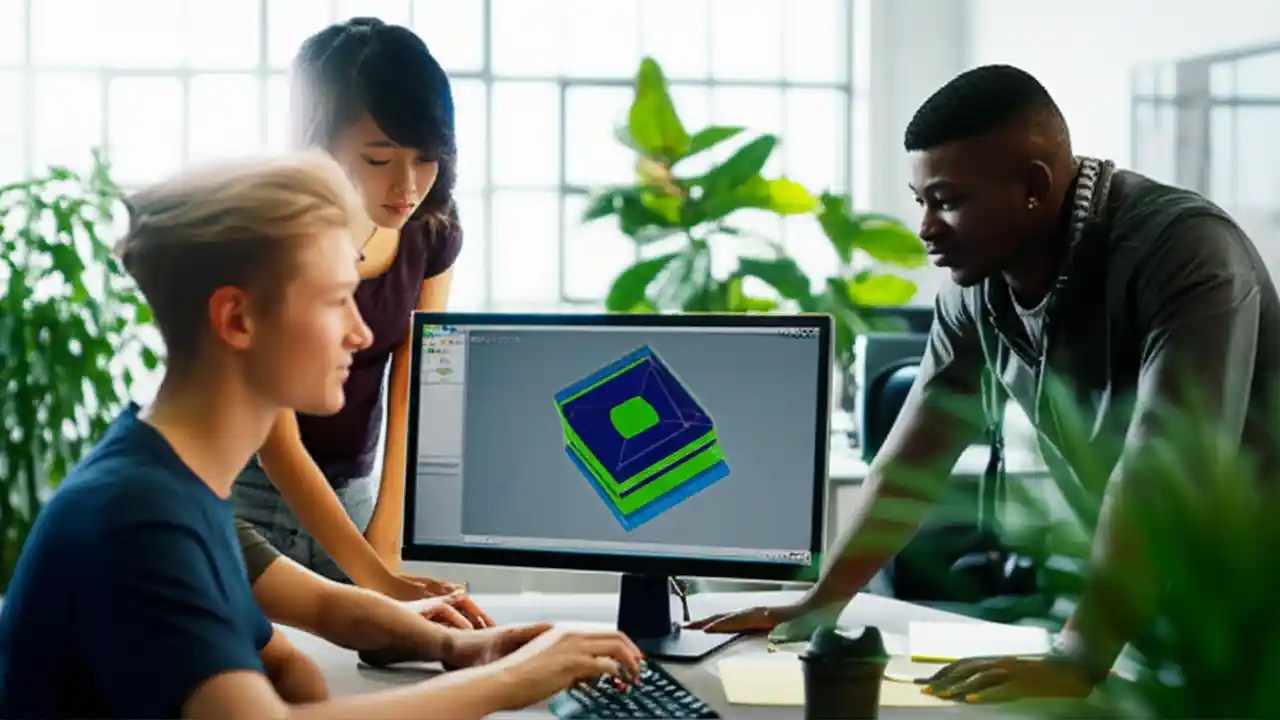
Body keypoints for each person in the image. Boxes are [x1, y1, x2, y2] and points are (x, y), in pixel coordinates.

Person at [687, 64, 1280, 703]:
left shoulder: (1187, 253)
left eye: (947, 200)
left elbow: (1160, 475)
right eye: (921, 202)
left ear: (1033, 186)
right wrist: (818, 602)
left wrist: (1077, 656)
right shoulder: (978, 290)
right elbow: (911, 461)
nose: (926, 229)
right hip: (1171, 616)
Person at [0, 153, 641, 718]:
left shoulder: (166, 478)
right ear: (238, 317)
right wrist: (514, 680)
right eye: (337, 299)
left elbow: (325, 613)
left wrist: (462, 645)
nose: (362, 334)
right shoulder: (136, 518)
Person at [231, 17, 472, 603]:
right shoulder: (271, 235)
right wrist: (374, 577)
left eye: (426, 156)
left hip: (354, 499)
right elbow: (276, 440)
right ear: (321, 146)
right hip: (245, 503)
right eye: (377, 158)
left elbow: (416, 381)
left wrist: (386, 542)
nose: (408, 184)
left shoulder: (430, 230)